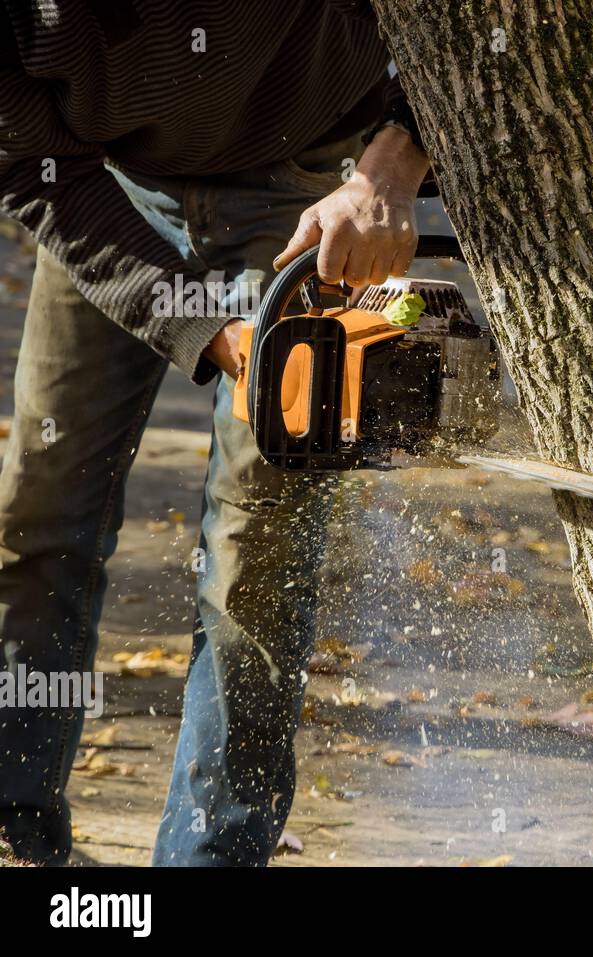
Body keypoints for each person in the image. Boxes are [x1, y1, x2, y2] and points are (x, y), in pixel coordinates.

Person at [0, 0, 431, 865]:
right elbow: (31, 167)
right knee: (40, 502)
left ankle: (211, 856)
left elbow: (490, 31)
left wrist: (393, 164)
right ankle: (13, 825)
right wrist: (206, 329)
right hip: (102, 191)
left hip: (310, 196)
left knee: (254, 555)